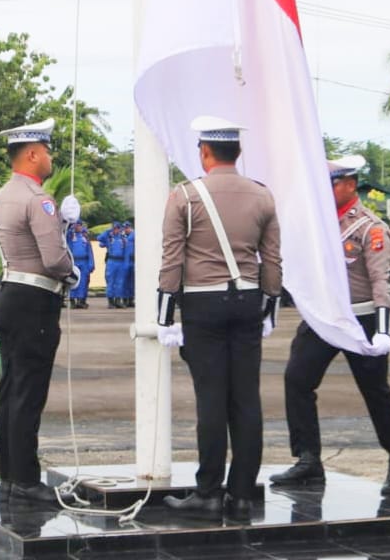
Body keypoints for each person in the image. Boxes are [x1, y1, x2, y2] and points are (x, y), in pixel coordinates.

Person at [157, 117, 281, 522]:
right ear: (237, 152)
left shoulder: (185, 196)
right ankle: (242, 493)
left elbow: (171, 259)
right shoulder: (262, 196)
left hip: (203, 305)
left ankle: (208, 490)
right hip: (247, 302)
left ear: (205, 152)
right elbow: (273, 260)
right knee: (246, 399)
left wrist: (164, 316)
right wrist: (269, 307)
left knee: (211, 399)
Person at [273, 155, 390, 498]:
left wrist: (383, 328)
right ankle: (308, 459)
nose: (325, 191)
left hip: (361, 318)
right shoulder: (319, 224)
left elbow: (381, 280)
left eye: (331, 184)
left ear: (350, 184)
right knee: (297, 380)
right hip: (324, 317)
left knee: (375, 392)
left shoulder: (369, 227)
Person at [0, 117, 75, 508]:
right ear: (34, 154)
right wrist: (73, 272)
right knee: (28, 393)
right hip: (34, 300)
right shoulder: (38, 198)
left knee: (11, 391)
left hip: (9, 293)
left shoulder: (5, 194)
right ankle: (25, 480)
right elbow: (55, 259)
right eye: (48, 151)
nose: (51, 157)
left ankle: (10, 477)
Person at [65, 215, 94, 309]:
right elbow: (65, 233)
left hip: (84, 262)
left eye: (79, 225)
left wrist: (91, 263)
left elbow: (90, 251)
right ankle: (73, 301)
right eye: (76, 225)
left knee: (83, 282)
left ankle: (81, 301)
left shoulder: (85, 236)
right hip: (74, 261)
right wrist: (70, 226)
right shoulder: (70, 235)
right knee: (73, 280)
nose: (78, 227)